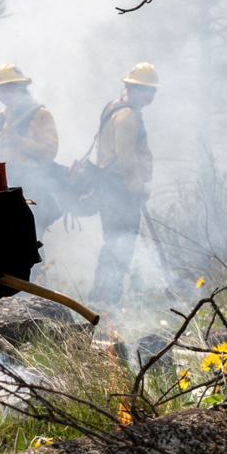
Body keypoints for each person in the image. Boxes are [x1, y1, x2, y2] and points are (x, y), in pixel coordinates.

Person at [86, 62, 159, 307]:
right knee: (121, 245)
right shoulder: (127, 116)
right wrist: (138, 188)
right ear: (130, 88)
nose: (149, 94)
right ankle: (106, 300)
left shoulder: (115, 107)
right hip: (121, 189)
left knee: (114, 244)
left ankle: (101, 297)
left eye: (152, 90)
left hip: (112, 187)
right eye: (143, 89)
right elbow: (126, 159)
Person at [0, 63, 62, 228]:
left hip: (33, 186)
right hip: (3, 188)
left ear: (22, 87)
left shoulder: (41, 115)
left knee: (31, 234)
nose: (4, 94)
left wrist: (18, 141)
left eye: (9, 87)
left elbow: (48, 152)